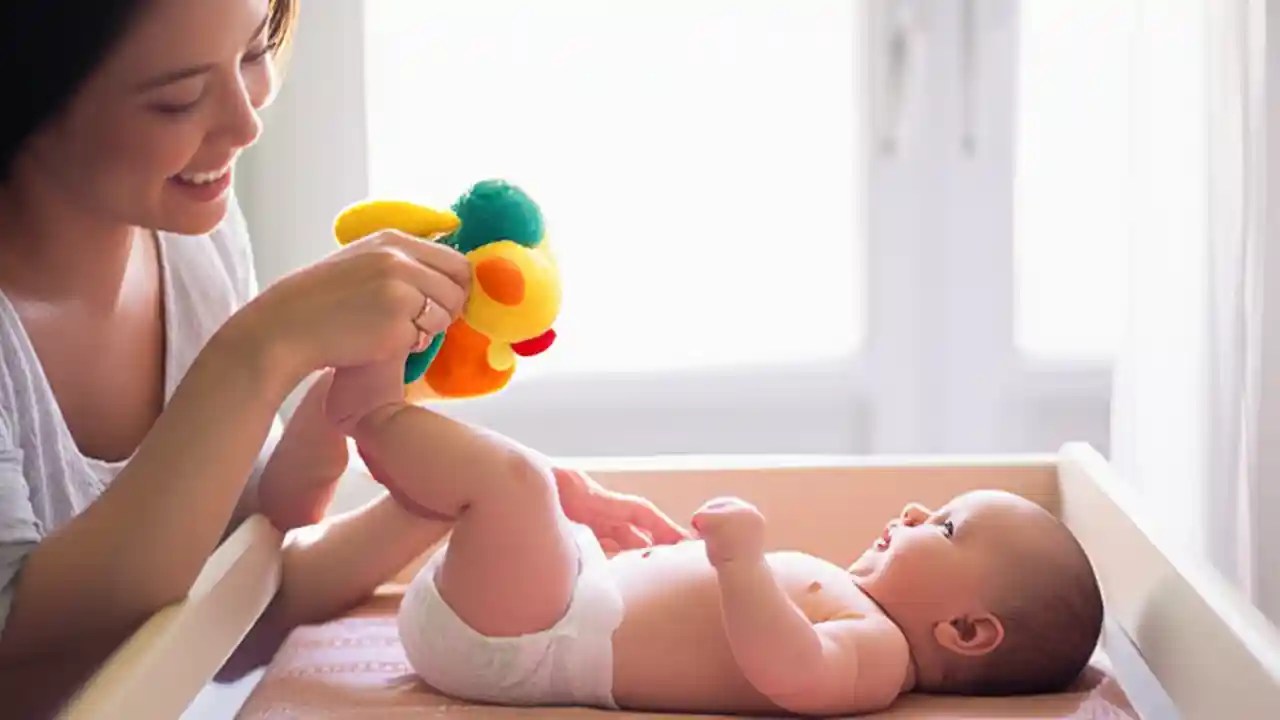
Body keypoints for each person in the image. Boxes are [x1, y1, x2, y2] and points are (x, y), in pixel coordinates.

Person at [0, 1, 686, 715]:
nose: (246, 123)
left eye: (256, 50)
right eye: (178, 99)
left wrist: (465, 496)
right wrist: (258, 351)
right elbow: (30, 640)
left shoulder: (192, 243)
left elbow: (241, 597)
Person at [325, 358, 1106, 716]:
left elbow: (792, 674)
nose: (908, 512)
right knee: (537, 483)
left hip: (532, 642)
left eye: (943, 525)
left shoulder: (878, 656)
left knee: (514, 486)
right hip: (561, 601)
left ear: (966, 630)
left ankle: (369, 414)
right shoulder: (852, 597)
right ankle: (397, 439)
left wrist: (738, 564)